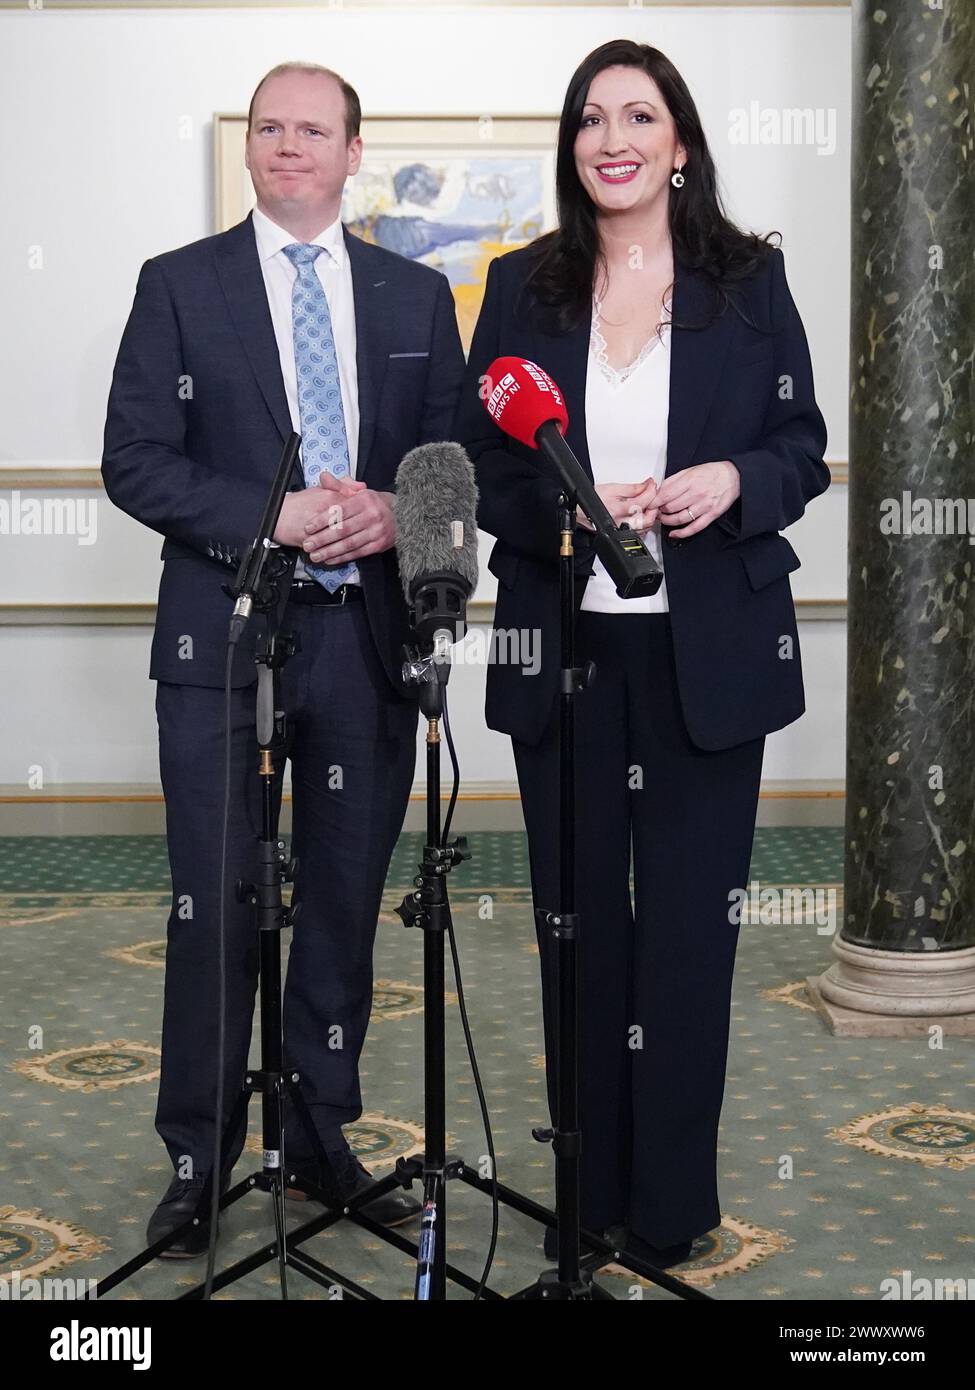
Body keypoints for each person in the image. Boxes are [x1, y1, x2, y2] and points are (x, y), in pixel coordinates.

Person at [455, 39, 830, 1269]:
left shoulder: (749, 283)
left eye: (639, 115)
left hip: (703, 661)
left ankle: (669, 1206)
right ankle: (585, 1200)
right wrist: (561, 511)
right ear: (573, 148)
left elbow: (803, 446)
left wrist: (732, 479)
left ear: (679, 143)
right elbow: (477, 468)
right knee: (576, 936)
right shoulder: (522, 286)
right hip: (566, 656)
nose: (613, 138)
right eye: (590, 119)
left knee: (684, 939)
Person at [102, 62, 465, 1256]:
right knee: (218, 906)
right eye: (271, 126)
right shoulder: (179, 287)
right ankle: (202, 1157)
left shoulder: (414, 298)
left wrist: (386, 523)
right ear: (249, 147)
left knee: (346, 905)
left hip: (366, 647)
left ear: (355, 152)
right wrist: (275, 521)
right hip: (224, 646)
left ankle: (319, 1134)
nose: (290, 145)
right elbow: (136, 459)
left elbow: (448, 469)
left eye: (315, 129)